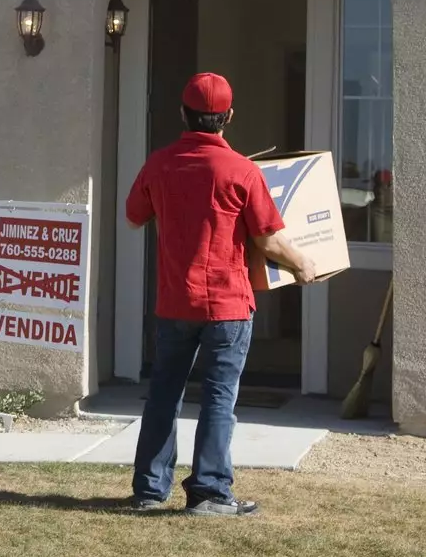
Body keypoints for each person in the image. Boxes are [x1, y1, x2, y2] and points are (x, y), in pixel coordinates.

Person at [124, 72, 316, 516]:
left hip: (174, 302)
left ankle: (149, 493)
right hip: (227, 306)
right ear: (228, 117)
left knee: (164, 395)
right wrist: (304, 263)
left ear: (183, 115)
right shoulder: (242, 171)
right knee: (218, 397)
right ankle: (209, 493)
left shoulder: (159, 164)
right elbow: (269, 241)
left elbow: (134, 218)